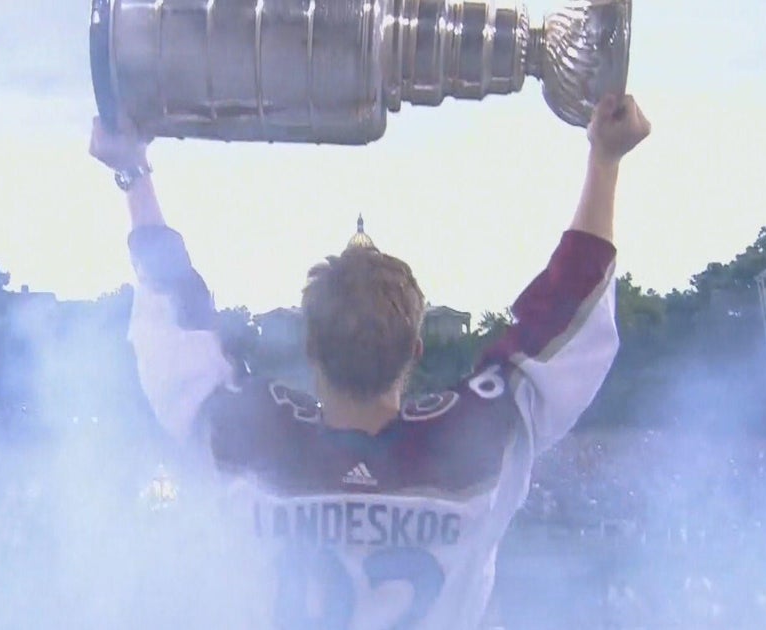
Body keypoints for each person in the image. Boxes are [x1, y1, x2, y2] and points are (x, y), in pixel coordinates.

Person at [89, 93, 651, 629]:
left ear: (310, 347)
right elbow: (567, 316)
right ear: (416, 348)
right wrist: (605, 158)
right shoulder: (479, 446)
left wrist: (133, 174)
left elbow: (176, 319)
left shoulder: (247, 441)